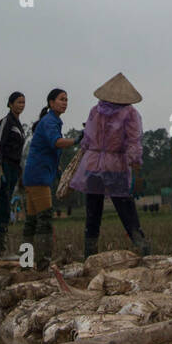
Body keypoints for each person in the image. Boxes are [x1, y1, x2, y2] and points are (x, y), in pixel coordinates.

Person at [69, 73, 150, 260]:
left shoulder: (95, 111)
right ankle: (142, 246)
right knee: (126, 209)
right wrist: (136, 166)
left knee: (93, 211)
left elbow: (86, 141)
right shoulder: (130, 113)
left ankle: (89, 254)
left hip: (93, 165)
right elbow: (133, 142)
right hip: (115, 166)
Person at [21, 89, 76, 269]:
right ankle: (43, 263)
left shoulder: (52, 121)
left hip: (33, 174)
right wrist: (77, 141)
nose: (65, 102)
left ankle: (26, 263)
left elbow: (51, 149)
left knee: (31, 221)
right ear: (51, 103)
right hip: (39, 176)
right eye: (61, 99)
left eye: (66, 100)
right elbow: (56, 142)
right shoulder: (50, 121)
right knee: (44, 218)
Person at [0, 93, 26, 262]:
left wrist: (19, 173)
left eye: (23, 102)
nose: (21, 105)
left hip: (13, 168)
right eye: (18, 102)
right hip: (3, 168)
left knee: (4, 207)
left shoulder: (19, 124)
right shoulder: (7, 121)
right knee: (2, 207)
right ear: (10, 104)